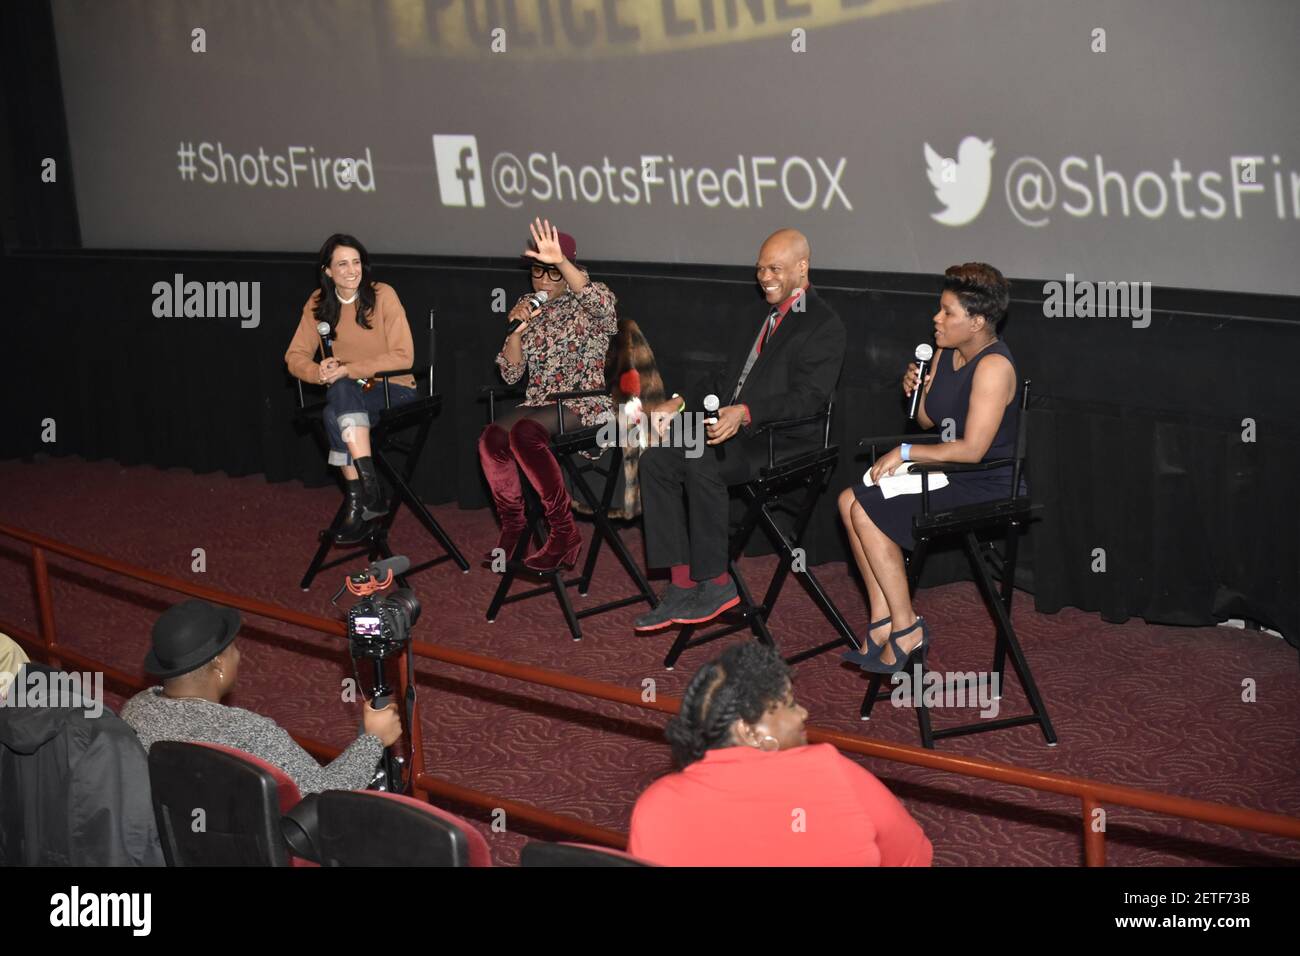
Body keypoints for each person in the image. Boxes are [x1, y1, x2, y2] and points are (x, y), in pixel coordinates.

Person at [633, 228, 845, 632]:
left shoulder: (824, 325)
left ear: (803, 267)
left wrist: (746, 412)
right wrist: (677, 402)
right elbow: (723, 377)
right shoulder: (757, 314)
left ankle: (715, 582)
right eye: (761, 268)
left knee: (702, 462)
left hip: (780, 438)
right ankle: (681, 586)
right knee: (656, 460)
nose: (765, 276)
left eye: (776, 268)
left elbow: (810, 399)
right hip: (729, 430)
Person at [840, 262, 1024, 674]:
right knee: (847, 499)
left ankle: (906, 629)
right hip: (947, 470)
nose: (935, 319)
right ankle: (883, 621)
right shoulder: (944, 352)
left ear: (977, 321)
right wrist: (918, 391)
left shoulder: (994, 367)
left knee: (864, 510)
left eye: (947, 312)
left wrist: (906, 453)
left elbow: (973, 450)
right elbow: (928, 422)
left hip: (984, 481)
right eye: (938, 309)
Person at [628, 642, 932, 866]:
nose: (803, 713)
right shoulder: (829, 772)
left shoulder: (656, 804)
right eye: (787, 704)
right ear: (750, 731)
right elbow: (913, 855)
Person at [121, 599, 402, 796]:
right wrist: (373, 741)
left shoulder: (134, 711)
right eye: (233, 649)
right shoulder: (248, 733)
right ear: (218, 666)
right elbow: (324, 797)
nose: (240, 656)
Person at [480, 218, 618, 572]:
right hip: (540, 402)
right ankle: (514, 525)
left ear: (569, 267)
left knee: (525, 434)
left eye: (551, 272)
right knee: (492, 439)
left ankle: (563, 531)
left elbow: (604, 308)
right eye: (537, 272)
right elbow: (511, 374)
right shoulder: (530, 304)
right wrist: (515, 333)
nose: (542, 280)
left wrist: (562, 264)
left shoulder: (591, 298)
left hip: (586, 402)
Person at [285, 234, 417, 544]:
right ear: (328, 271)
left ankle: (360, 501)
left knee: (336, 407)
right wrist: (318, 371)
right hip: (349, 394)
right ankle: (370, 497)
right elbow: (294, 357)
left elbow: (404, 357)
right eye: (342, 264)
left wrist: (347, 369)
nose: (351, 270)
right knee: (338, 402)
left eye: (356, 262)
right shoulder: (318, 303)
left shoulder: (383, 295)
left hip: (391, 389)